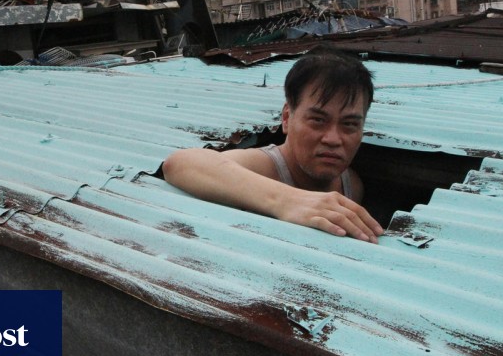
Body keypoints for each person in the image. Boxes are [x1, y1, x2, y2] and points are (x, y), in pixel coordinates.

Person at [163, 49, 384, 243]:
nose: (333, 139)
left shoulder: (352, 185)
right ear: (287, 118)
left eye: (349, 124)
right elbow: (179, 163)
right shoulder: (265, 166)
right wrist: (287, 201)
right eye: (318, 120)